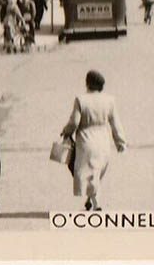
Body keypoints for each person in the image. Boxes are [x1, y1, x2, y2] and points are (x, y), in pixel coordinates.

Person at [60, 70, 127, 212]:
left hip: (86, 141)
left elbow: (74, 122)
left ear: (87, 83)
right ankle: (90, 200)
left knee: (88, 173)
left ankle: (97, 205)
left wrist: (66, 132)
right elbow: (115, 122)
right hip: (103, 141)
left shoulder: (81, 100)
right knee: (96, 173)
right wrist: (120, 142)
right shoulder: (109, 100)